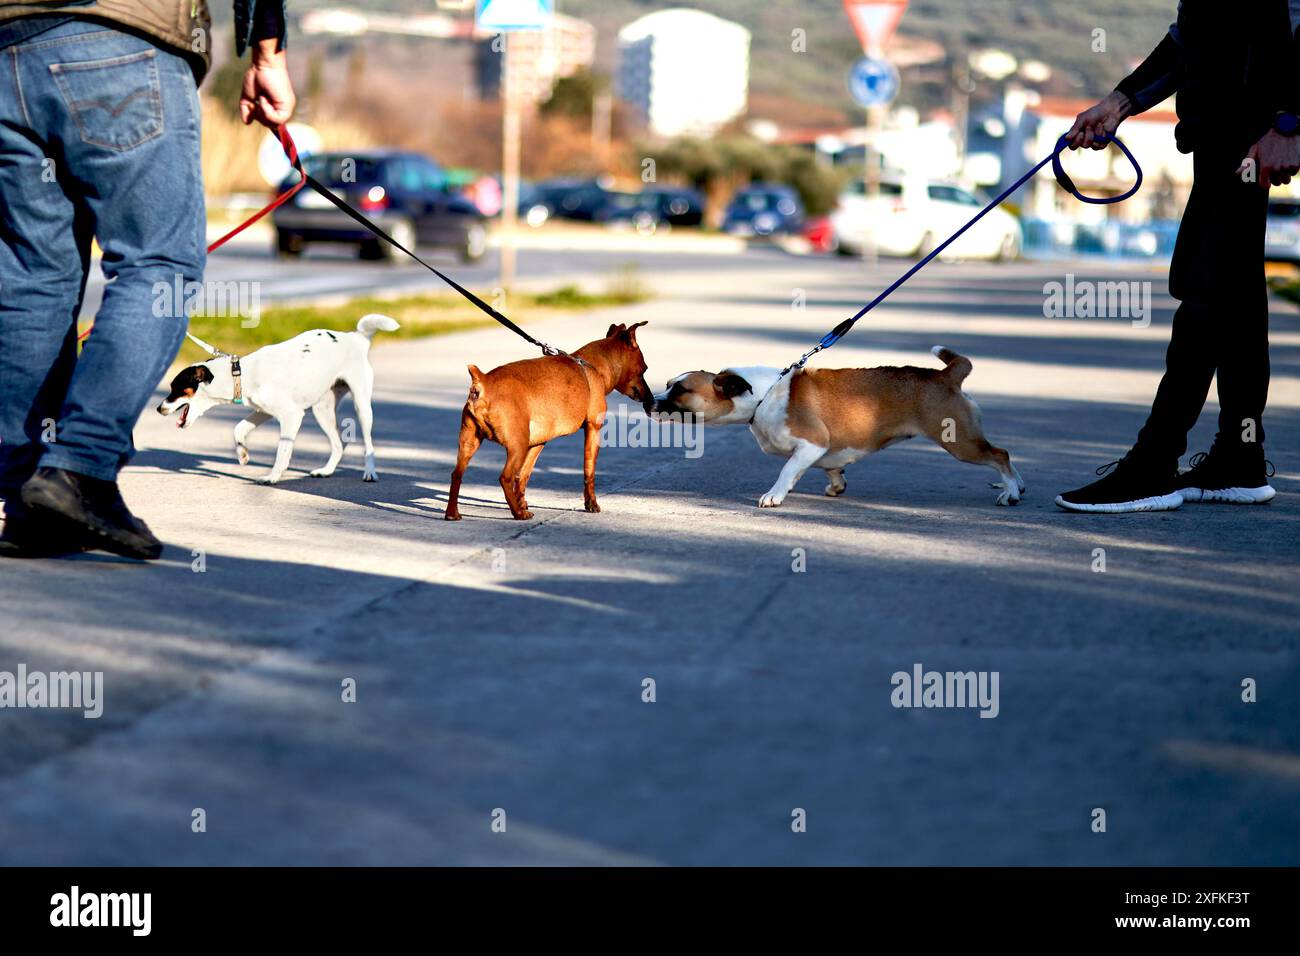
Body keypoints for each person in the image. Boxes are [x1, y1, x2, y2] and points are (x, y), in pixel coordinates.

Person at [0, 0, 294, 558]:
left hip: (8, 45)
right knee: (160, 267)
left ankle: (26, 495)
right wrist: (267, 53)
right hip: (123, 38)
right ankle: (79, 471)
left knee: (33, 279)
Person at [1055, 1, 1299, 513]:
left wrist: (1289, 123)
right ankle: (1239, 454)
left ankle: (1153, 463)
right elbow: (1191, 40)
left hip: (1253, 132)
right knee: (1235, 296)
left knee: (1207, 289)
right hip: (1222, 133)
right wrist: (1120, 102)